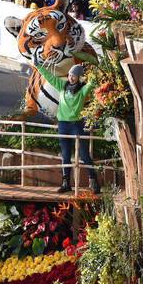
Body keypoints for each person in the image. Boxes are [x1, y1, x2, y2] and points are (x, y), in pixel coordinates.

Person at [37, 58, 102, 193]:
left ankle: (94, 181)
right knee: (65, 155)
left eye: (74, 76)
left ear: (79, 78)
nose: (72, 78)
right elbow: (49, 76)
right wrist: (37, 65)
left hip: (76, 125)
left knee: (84, 154)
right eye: (70, 75)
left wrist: (97, 69)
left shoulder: (82, 90)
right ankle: (66, 182)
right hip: (63, 125)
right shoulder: (62, 86)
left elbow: (93, 83)